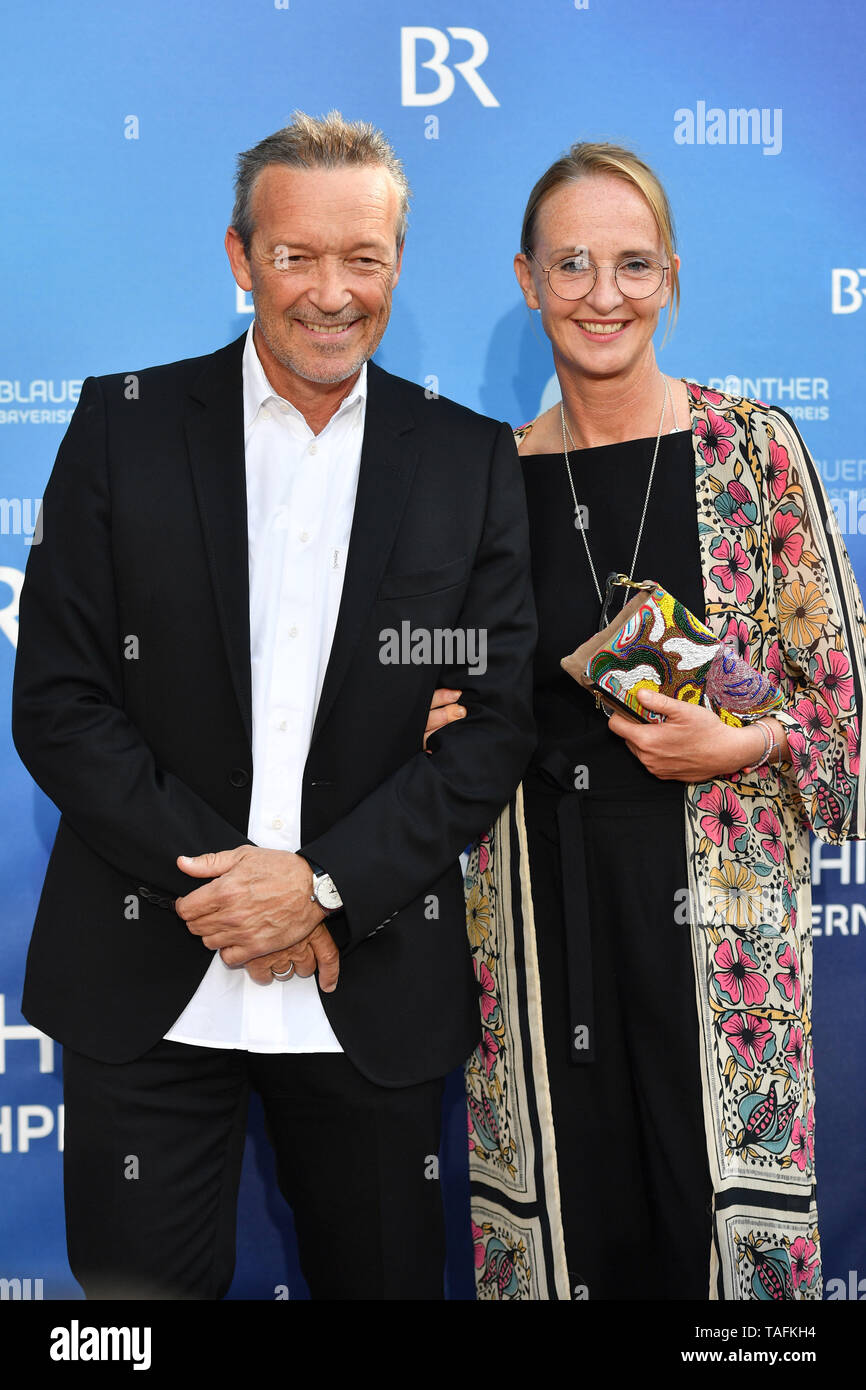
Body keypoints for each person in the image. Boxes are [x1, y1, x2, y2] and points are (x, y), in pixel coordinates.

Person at [11, 111, 536, 1301]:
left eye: (363, 258)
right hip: (148, 973)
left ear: (397, 262)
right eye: (296, 256)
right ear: (241, 257)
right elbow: (59, 699)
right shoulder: (124, 427)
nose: (331, 293)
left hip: (370, 983)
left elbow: (494, 717)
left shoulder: (465, 459)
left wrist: (324, 884)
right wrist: (239, 887)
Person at [434, 142, 866, 1300]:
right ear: (525, 281)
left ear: (669, 275)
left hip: (717, 944)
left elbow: (843, 715)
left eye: (631, 264)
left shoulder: (756, 451)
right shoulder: (482, 479)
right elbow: (447, 699)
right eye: (569, 264)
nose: (601, 294)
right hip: (533, 938)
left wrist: (746, 742)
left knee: (715, 1237)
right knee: (567, 1233)